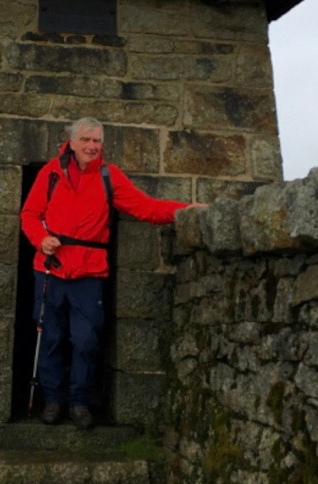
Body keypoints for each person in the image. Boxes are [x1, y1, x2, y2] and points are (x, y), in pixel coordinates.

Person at [19, 117, 204, 430]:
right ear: (73, 142)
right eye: (87, 140)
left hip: (90, 274)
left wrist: (183, 210)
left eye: (98, 141)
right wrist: (40, 239)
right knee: (49, 338)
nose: (93, 146)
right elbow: (29, 214)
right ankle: (52, 401)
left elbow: (145, 207)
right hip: (50, 269)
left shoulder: (109, 176)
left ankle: (79, 403)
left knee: (85, 341)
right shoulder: (51, 172)